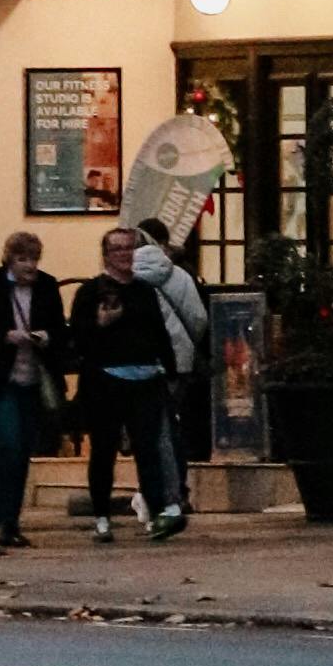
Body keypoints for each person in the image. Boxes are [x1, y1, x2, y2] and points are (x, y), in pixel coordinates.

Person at [63, 224, 185, 538]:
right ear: (105, 255)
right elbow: (78, 339)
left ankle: (156, 512)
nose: (123, 254)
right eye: (116, 249)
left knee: (148, 449)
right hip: (104, 381)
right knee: (104, 450)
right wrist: (101, 323)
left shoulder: (144, 291)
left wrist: (170, 372)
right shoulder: (90, 292)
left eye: (128, 248)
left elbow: (159, 334)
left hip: (145, 378)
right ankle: (101, 516)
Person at [0, 226, 66, 552]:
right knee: (9, 442)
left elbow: (60, 329)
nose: (29, 266)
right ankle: (3, 520)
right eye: (22, 259)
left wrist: (46, 337)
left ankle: (12, 520)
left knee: (23, 449)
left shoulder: (47, 286)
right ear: (9, 260)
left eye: (33, 259)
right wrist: (6, 336)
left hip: (32, 379)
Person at [132, 214, 213, 508]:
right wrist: (186, 345)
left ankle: (155, 489)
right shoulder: (180, 275)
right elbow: (198, 318)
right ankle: (177, 489)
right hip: (178, 361)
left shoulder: (124, 277)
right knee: (170, 425)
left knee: (148, 428)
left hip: (138, 362)